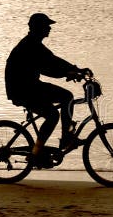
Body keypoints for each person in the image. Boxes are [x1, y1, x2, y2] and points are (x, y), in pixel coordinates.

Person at [5, 13, 90, 167]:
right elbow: (48, 68)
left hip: (28, 86)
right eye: (47, 26)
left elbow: (53, 60)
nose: (49, 28)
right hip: (23, 89)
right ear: (38, 27)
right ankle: (43, 149)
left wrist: (75, 69)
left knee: (64, 100)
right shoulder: (30, 46)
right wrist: (68, 73)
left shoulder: (34, 43)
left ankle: (61, 139)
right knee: (59, 107)